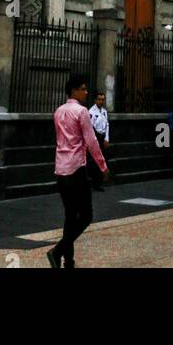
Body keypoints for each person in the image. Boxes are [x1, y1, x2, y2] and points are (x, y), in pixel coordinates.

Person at [48, 73, 108, 269]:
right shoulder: (81, 112)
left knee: (70, 215)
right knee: (86, 216)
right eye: (83, 88)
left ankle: (68, 261)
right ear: (74, 90)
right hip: (76, 168)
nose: (86, 92)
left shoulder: (58, 111)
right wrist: (103, 166)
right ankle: (58, 251)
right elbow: (91, 141)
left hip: (60, 168)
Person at [87, 90, 109, 192]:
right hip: (96, 138)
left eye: (102, 100)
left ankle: (99, 183)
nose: (101, 101)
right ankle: (93, 183)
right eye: (99, 99)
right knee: (94, 162)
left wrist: (106, 138)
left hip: (103, 137)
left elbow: (107, 125)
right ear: (95, 100)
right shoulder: (91, 111)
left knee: (102, 160)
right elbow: (90, 127)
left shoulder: (104, 111)